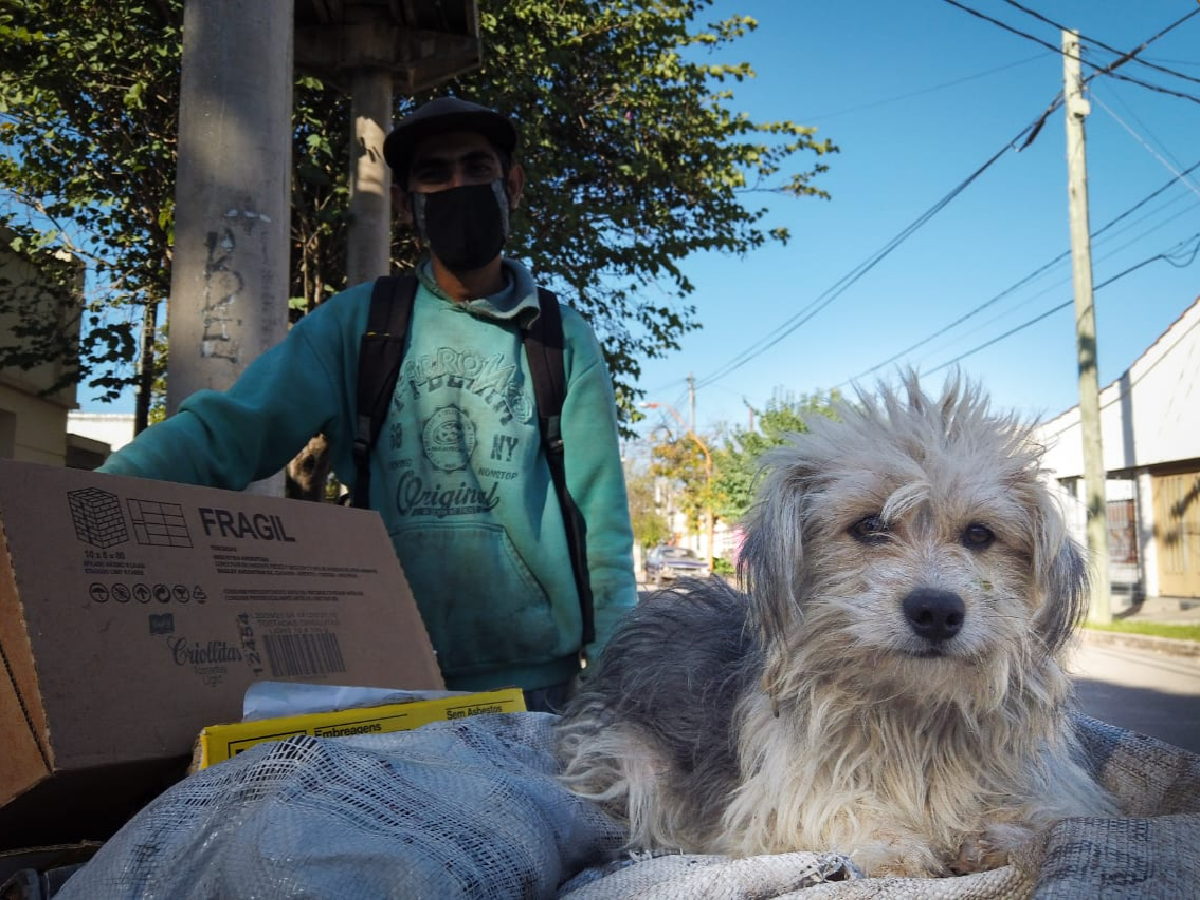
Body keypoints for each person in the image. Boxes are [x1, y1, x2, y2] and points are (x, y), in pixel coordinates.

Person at [98, 96, 639, 712]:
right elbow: (231, 431)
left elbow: (601, 517)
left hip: (536, 688)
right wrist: (89, 497)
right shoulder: (359, 325)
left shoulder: (559, 336)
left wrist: (617, 677)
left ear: (511, 186)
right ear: (409, 204)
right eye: (434, 174)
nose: (457, 185)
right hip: (391, 671)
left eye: (477, 168)